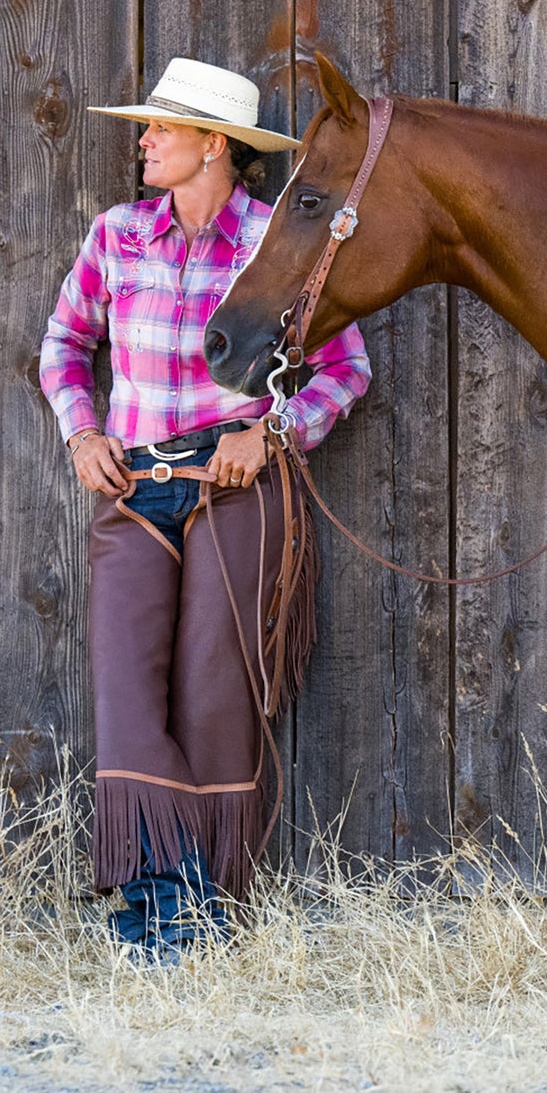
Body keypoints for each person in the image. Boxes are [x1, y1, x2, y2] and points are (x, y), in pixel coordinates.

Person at [40, 57, 372, 958]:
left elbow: (347, 371)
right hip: (135, 487)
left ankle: (203, 908)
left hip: (237, 490)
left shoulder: (281, 245)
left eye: (161, 128)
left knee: (217, 693)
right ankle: (160, 894)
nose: (144, 141)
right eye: (148, 128)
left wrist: (268, 434)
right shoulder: (117, 236)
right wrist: (80, 435)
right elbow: (65, 344)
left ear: (214, 145)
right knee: (127, 692)